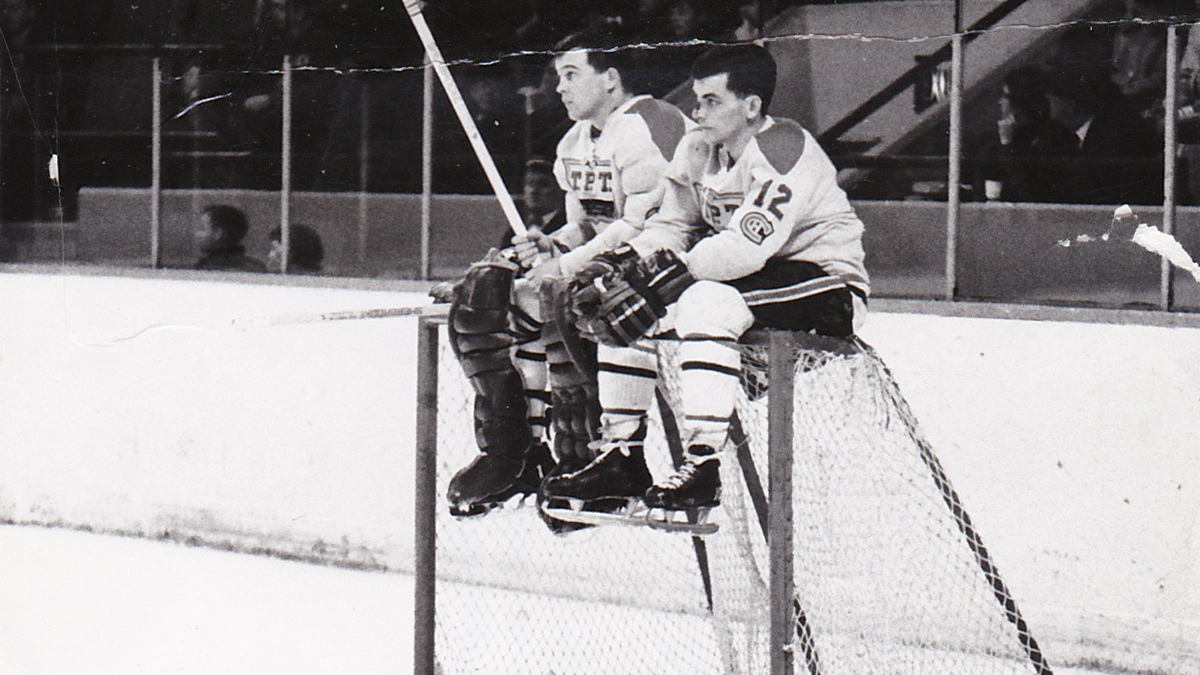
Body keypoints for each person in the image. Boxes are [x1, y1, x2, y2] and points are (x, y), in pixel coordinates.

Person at [557, 44, 868, 512]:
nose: (696, 112)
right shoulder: (698, 147)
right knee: (620, 300)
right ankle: (622, 455)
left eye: (710, 101)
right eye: (696, 99)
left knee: (699, 299)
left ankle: (702, 467)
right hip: (752, 279)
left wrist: (661, 279)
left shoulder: (784, 146)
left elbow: (745, 248)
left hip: (825, 284)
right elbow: (672, 226)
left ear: (751, 106)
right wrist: (625, 264)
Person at [444, 31, 691, 523]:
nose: (560, 88)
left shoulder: (651, 124)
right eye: (558, 77)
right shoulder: (573, 141)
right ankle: (520, 453)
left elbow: (641, 224)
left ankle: (606, 456)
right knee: (487, 298)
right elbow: (584, 224)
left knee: (572, 298)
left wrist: (565, 264)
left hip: (663, 264)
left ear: (611, 79)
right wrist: (552, 245)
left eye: (572, 75)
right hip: (603, 264)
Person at [977, 66, 1080, 203]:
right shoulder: (1000, 140)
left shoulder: (1056, 137)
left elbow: (1031, 191)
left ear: (1020, 101)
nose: (1000, 102)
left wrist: (1008, 146)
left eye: (1006, 96)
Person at [194, 205, 268, 272]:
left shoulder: (208, 268)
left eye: (202, 228)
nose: (197, 234)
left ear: (219, 233)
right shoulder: (256, 267)